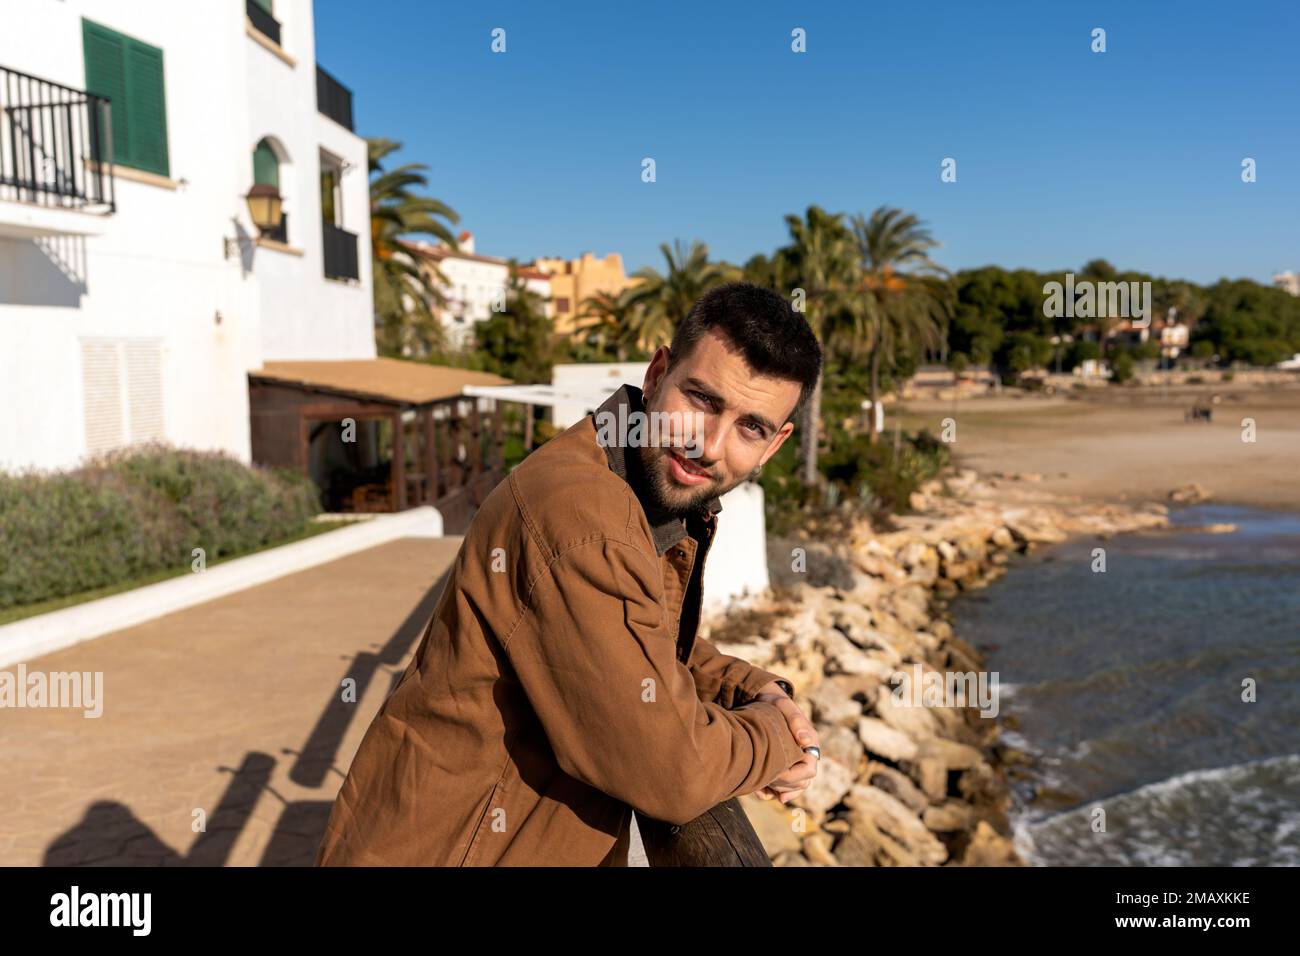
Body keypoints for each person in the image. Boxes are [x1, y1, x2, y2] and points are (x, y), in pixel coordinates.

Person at [314, 281, 824, 866]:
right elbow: (668, 768)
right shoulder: (584, 516)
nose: (708, 445)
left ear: (774, 445)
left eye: (750, 427)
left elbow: (636, 629)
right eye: (703, 399)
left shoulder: (625, 481)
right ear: (657, 375)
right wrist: (778, 736)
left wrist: (750, 689)